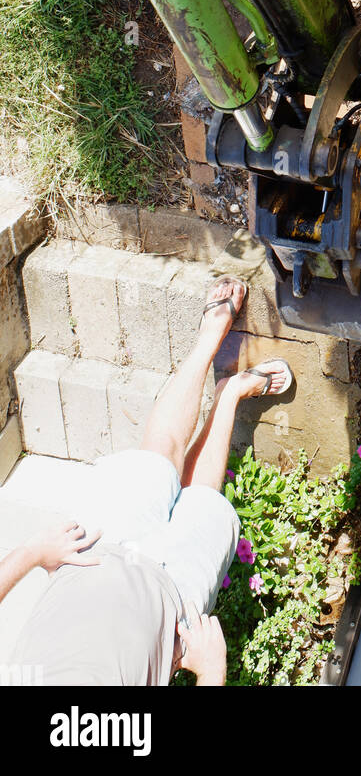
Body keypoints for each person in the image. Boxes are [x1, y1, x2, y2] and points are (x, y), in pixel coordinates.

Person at [0, 277, 292, 685]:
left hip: (90, 555)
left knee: (160, 454)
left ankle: (210, 337)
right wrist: (211, 673)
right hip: (171, 611)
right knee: (201, 500)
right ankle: (228, 395)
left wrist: (33, 551)